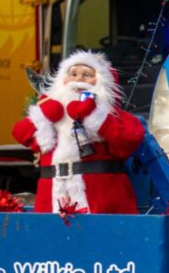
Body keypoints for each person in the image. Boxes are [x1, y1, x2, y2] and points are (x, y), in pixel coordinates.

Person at [12, 50, 146, 214]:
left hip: (101, 205)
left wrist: (95, 117)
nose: (79, 79)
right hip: (52, 202)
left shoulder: (113, 116)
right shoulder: (54, 116)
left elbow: (130, 139)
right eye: (73, 73)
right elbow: (20, 133)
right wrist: (43, 115)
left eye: (87, 74)